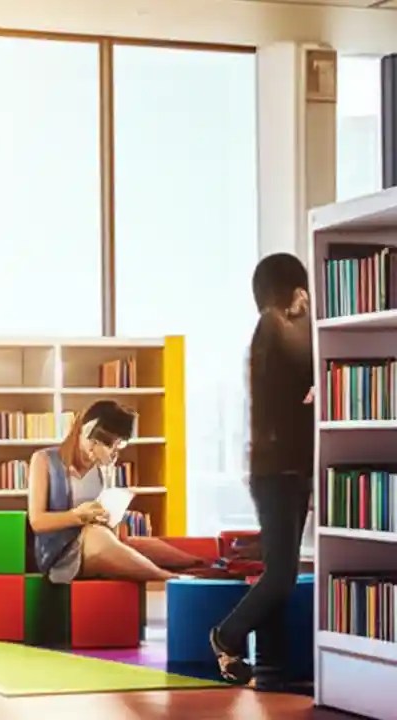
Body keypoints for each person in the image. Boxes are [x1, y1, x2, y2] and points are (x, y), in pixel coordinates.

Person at [210, 253, 315, 689]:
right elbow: (297, 369)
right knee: (281, 574)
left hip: (287, 468)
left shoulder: (277, 328)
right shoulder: (273, 326)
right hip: (277, 470)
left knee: (281, 570)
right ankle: (226, 636)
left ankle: (270, 663)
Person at [29, 400, 205, 584]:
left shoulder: (102, 468)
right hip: (60, 554)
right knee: (98, 536)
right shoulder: (44, 460)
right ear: (80, 429)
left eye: (113, 445)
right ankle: (170, 579)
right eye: (96, 441)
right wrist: (78, 516)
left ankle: (203, 566)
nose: (97, 450)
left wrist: (108, 514)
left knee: (136, 544)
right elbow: (37, 522)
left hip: (99, 537)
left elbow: (111, 530)